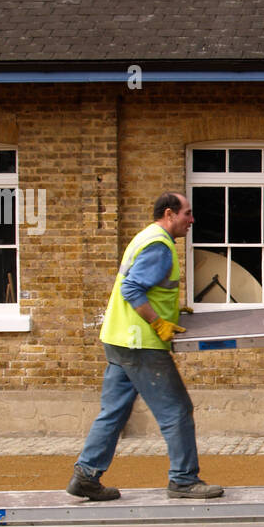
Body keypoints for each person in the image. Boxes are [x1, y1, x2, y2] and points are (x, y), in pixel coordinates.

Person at [68, 191, 224, 501]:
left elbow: (146, 288)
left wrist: (171, 312)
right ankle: (183, 479)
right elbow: (131, 288)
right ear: (169, 214)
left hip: (118, 338)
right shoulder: (159, 246)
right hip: (141, 344)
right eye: (187, 214)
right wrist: (158, 322)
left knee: (113, 412)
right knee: (177, 410)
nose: (192, 220)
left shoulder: (146, 237)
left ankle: (86, 475)